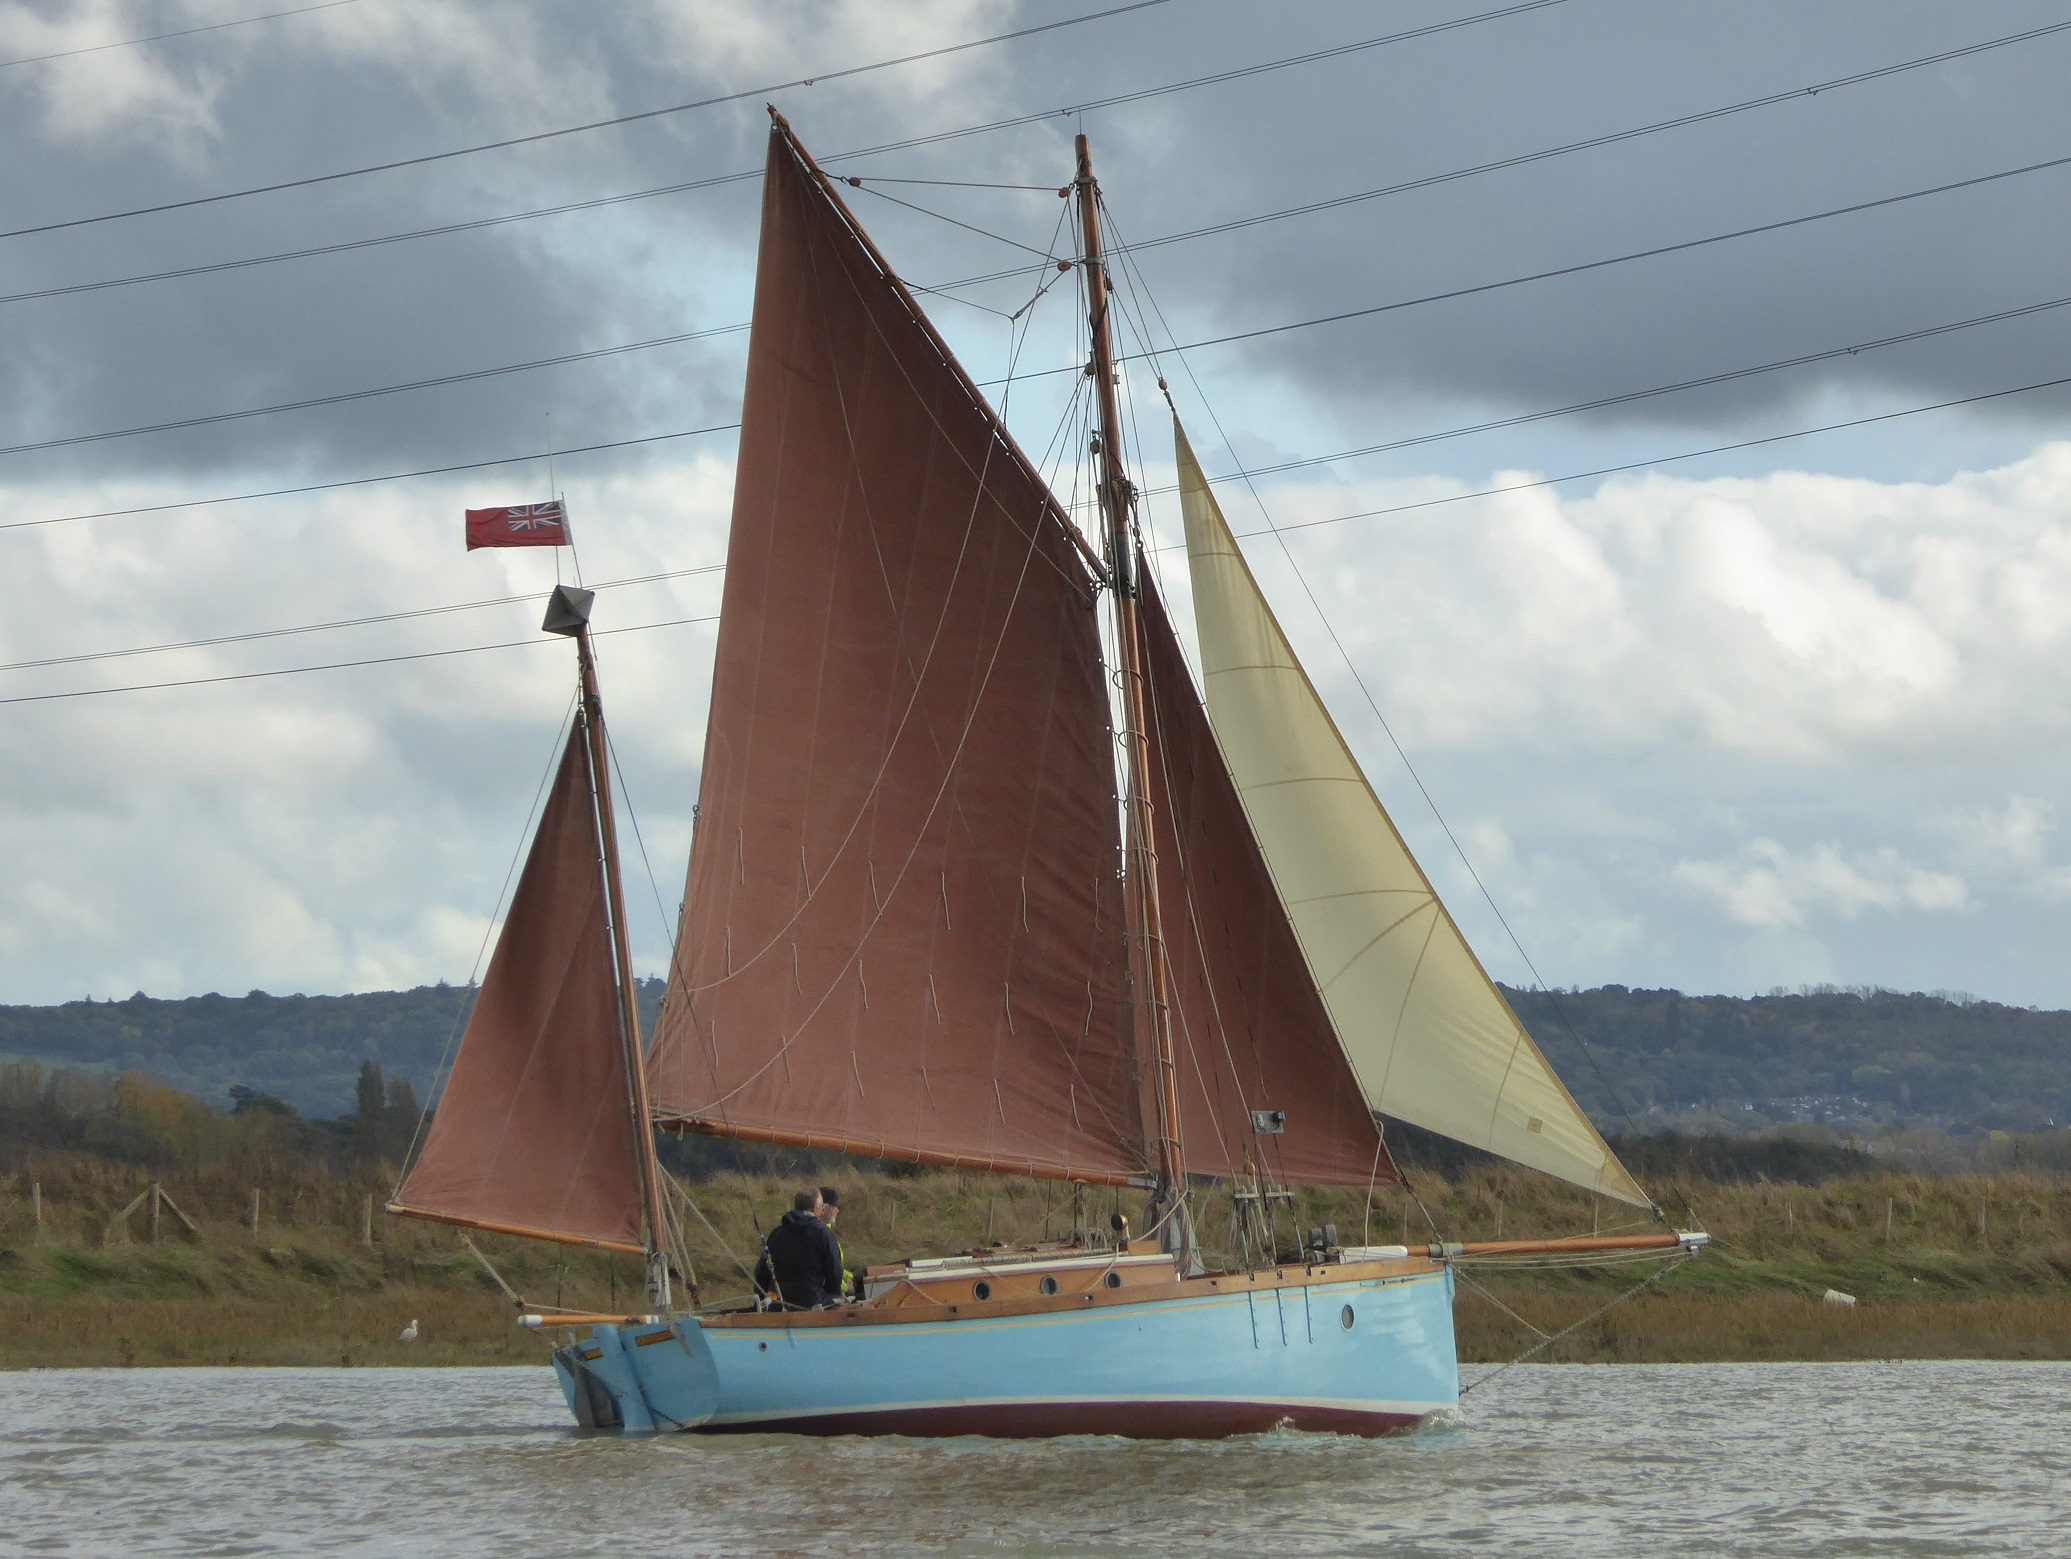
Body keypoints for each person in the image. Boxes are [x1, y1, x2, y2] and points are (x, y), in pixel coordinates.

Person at [753, 1188, 845, 1309]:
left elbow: (761, 1273)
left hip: (779, 1303)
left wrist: (761, 1301)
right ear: (816, 1208)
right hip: (812, 1302)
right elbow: (834, 1273)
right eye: (822, 1206)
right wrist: (832, 1295)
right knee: (843, 1300)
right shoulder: (824, 1234)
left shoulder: (777, 1233)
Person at [817, 1185, 858, 1298]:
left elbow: (835, 1265)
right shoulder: (820, 1234)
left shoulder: (827, 1231)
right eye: (834, 1206)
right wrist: (845, 1287)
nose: (837, 1210)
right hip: (823, 1294)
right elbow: (824, 1271)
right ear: (823, 1208)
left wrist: (849, 1276)